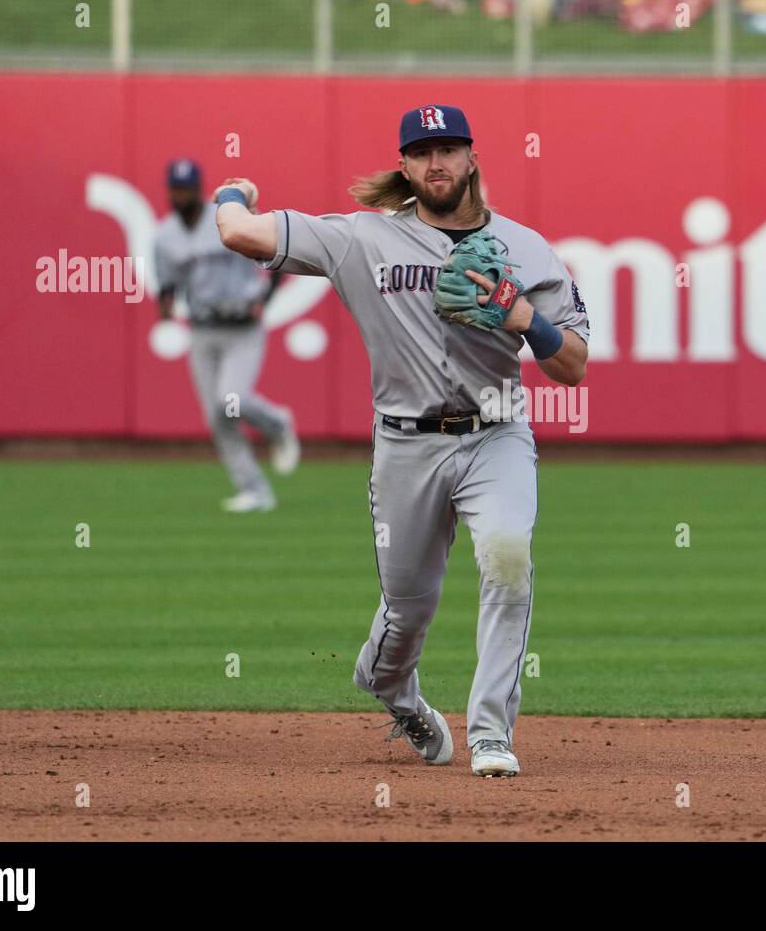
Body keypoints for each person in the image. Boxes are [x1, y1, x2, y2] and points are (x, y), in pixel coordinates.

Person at [212, 105, 589, 777]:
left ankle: (492, 732)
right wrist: (232, 193)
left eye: (447, 149)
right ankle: (395, 693)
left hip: (495, 433)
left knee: (507, 557)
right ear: (405, 166)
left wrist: (523, 315)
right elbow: (239, 234)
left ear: (472, 156)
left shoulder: (525, 248)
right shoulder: (364, 240)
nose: (435, 163)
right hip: (405, 448)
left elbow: (574, 365)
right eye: (420, 152)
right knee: (407, 615)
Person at [153, 158, 300, 513]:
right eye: (176, 189)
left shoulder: (224, 217)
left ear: (199, 189)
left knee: (231, 398)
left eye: (187, 188)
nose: (182, 195)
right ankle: (255, 491)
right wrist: (166, 306)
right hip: (203, 332)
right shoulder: (165, 236)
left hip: (241, 328)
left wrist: (265, 298)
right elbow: (167, 287)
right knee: (217, 417)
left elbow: (274, 252)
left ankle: (278, 423)